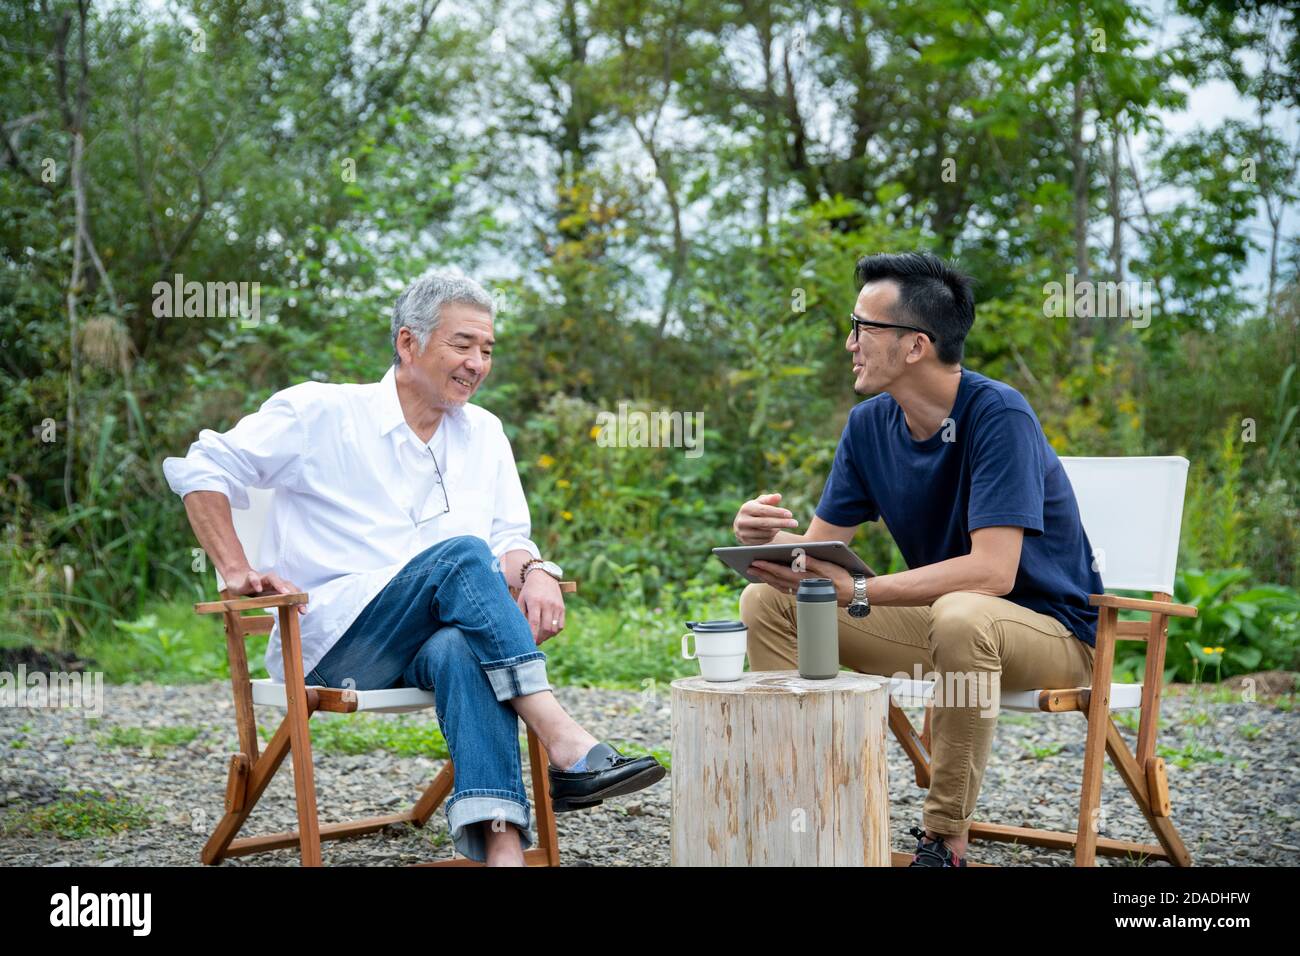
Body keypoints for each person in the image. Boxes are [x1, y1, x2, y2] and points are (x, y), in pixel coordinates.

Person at [164, 271, 664, 866]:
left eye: (487, 349)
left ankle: (501, 854)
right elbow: (202, 467)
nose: (478, 362)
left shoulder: (485, 432)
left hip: (434, 645)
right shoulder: (320, 412)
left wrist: (537, 570)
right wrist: (234, 567)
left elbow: (509, 537)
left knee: (461, 645)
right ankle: (563, 738)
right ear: (407, 343)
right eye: (462, 345)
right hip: (337, 649)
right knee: (460, 554)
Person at [733, 252, 1103, 867]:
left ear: (914, 346)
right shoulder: (868, 426)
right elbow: (818, 558)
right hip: (943, 629)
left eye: (862, 328)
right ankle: (796, 807)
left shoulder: (998, 415)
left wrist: (857, 592)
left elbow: (993, 572)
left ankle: (943, 839)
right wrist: (760, 539)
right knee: (768, 602)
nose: (849, 343)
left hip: (1052, 637)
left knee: (964, 613)